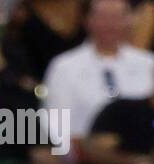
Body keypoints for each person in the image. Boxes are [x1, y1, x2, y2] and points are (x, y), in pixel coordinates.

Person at [43, 0, 154, 140]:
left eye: (117, 17)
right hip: (84, 152)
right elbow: (54, 123)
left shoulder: (148, 63)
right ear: (87, 20)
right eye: (103, 17)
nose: (110, 24)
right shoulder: (64, 66)